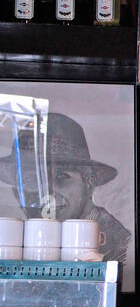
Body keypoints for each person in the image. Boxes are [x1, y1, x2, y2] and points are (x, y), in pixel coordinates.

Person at [0, 112, 130, 263]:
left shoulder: (118, 242)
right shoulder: (18, 242)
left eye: (62, 176)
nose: (47, 191)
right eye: (31, 178)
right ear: (17, 193)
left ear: (88, 184)